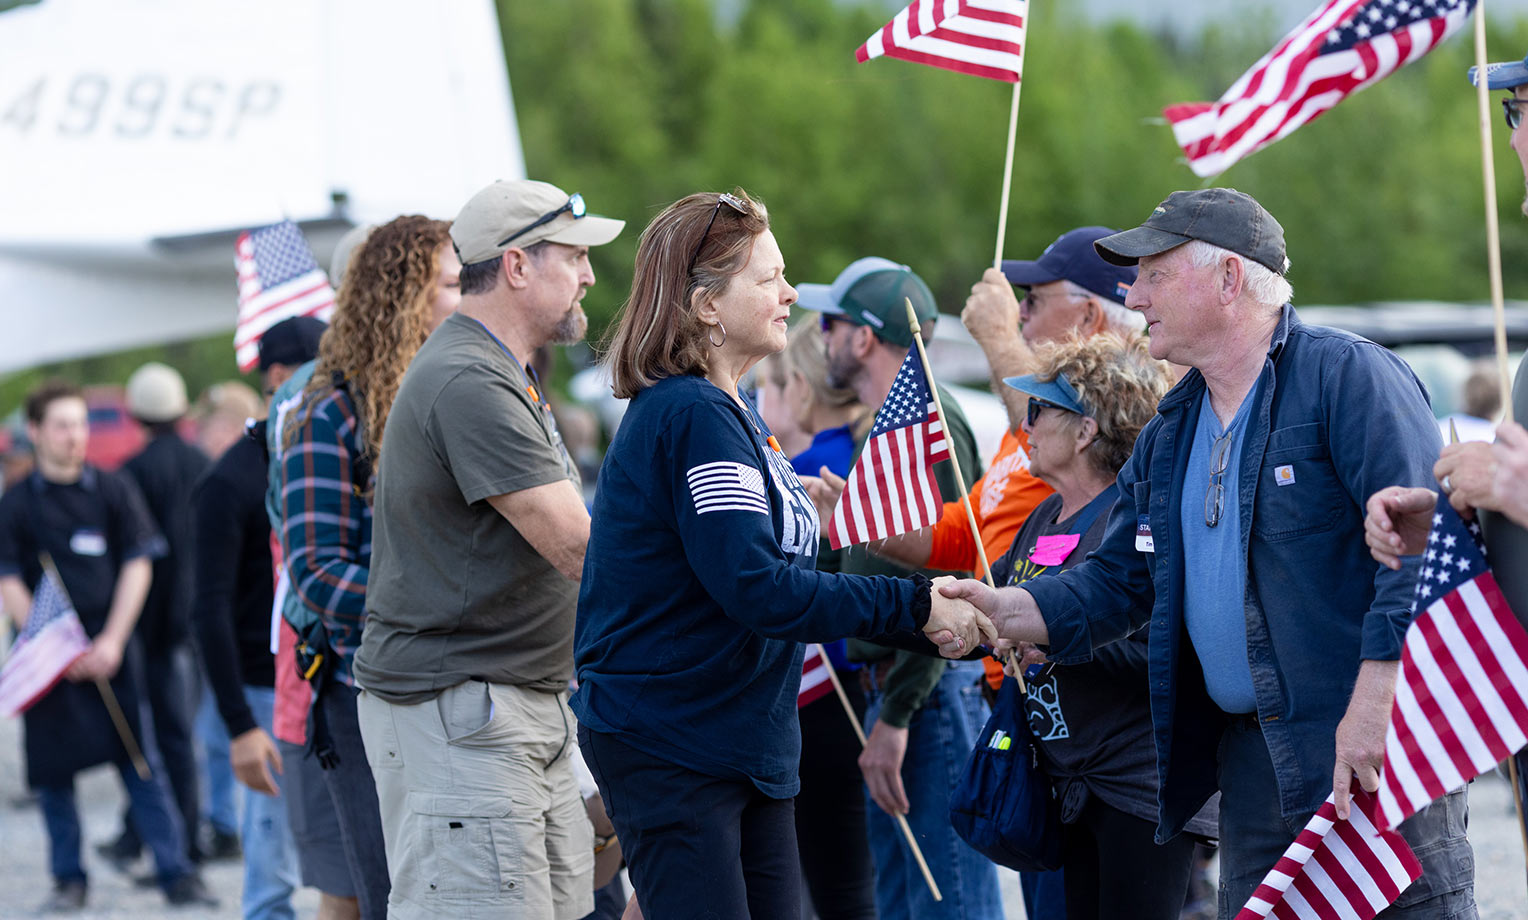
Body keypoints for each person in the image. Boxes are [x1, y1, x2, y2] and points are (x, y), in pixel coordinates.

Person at [941, 188, 1477, 918]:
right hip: (1252, 770)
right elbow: (1117, 583)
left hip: (1372, 747)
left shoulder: (1348, 378)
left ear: (1230, 280)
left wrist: (1376, 700)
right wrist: (1010, 607)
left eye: (1155, 274)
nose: (1134, 293)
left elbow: (1424, 546)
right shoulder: (1170, 430)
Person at [573, 190, 993, 920]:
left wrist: (912, 601)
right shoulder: (691, 413)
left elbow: (783, 576)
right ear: (706, 306)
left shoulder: (729, 412)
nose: (791, 294)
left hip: (743, 746)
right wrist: (919, 605)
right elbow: (760, 589)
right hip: (682, 747)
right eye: (769, 279)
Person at [352, 179, 620, 920]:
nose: (591, 274)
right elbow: (578, 548)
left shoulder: (496, 368)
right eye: (574, 255)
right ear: (517, 265)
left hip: (502, 704)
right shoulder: (469, 377)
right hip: (462, 713)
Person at [801, 256, 1002, 920]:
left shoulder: (926, 422)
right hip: (902, 698)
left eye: (830, 322)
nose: (820, 336)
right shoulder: (887, 423)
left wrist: (897, 714)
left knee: (947, 903)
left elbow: (954, 577)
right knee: (903, 904)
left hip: (926, 700)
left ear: (862, 337)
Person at [994, 331, 1215, 919]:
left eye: (1040, 409)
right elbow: (996, 604)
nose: (1027, 425)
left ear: (1087, 429)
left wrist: (1057, 644)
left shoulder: (1134, 514)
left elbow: (1172, 651)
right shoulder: (1044, 514)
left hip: (1137, 786)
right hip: (1066, 780)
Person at [279, 214, 461, 920]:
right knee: (394, 898)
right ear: (402, 297)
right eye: (451, 283)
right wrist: (445, 603)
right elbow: (318, 573)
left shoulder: (460, 391)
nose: (468, 295)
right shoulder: (327, 414)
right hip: (367, 692)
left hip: (468, 689)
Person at [0, 380, 217, 911]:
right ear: (36, 432)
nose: (74, 436)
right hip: (50, 660)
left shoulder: (113, 489)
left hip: (113, 653)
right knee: (53, 779)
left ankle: (176, 874)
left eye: (79, 424)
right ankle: (68, 880)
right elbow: (8, 579)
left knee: (142, 763)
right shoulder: (17, 504)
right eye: (62, 426)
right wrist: (56, 649)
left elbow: (139, 562)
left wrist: (113, 640)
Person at [193, 318, 326, 920]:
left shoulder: (321, 452)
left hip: (329, 677)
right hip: (262, 688)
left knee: (339, 854)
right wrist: (239, 722)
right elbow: (208, 608)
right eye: (323, 368)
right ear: (281, 376)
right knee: (271, 868)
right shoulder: (228, 480)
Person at [774, 318, 877, 920]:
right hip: (856, 691)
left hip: (822, 697)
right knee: (855, 882)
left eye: (778, 384)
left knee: (831, 884)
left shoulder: (806, 471)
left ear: (802, 389)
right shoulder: (861, 455)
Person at [108, 362, 210, 868]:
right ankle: (149, 835)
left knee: (158, 738)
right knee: (178, 736)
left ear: (137, 415)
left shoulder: (130, 475)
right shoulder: (204, 463)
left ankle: (182, 845)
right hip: (197, 626)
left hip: (147, 629)